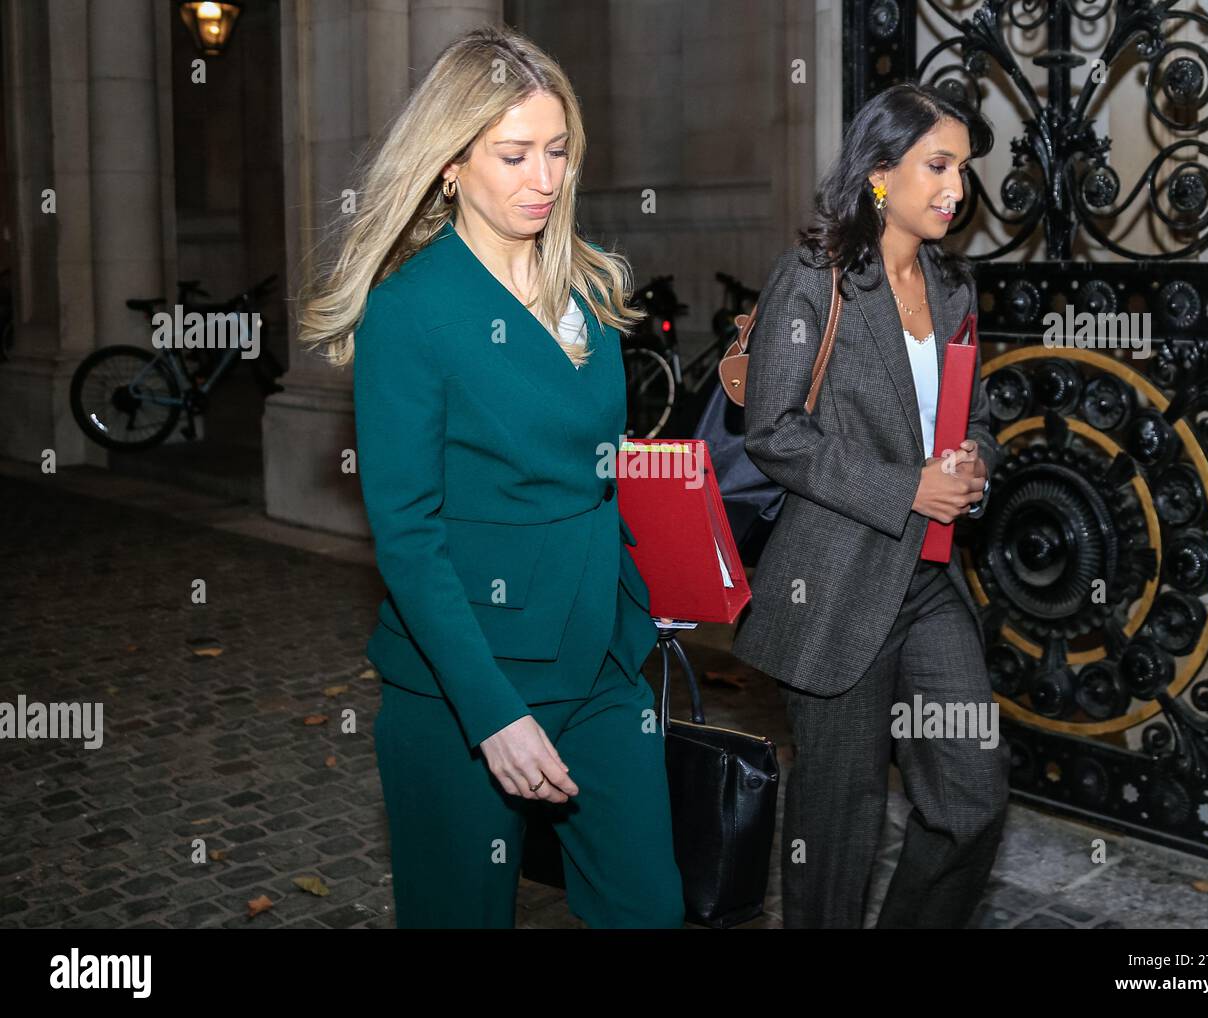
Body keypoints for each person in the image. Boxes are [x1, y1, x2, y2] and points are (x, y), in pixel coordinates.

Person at [296, 26, 683, 930]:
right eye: (513, 154)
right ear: (449, 165)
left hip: (598, 663)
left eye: (557, 151)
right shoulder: (412, 311)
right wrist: (491, 714)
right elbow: (409, 533)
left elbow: (592, 472)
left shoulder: (584, 288)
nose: (542, 179)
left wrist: (656, 583)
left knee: (651, 909)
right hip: (467, 685)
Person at [731, 82, 1010, 929]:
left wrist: (974, 466)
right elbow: (772, 432)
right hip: (837, 585)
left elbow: (980, 414)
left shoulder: (952, 286)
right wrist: (907, 486)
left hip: (928, 584)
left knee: (973, 798)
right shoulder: (818, 277)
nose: (957, 188)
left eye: (963, 168)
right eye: (938, 165)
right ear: (881, 172)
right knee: (838, 826)